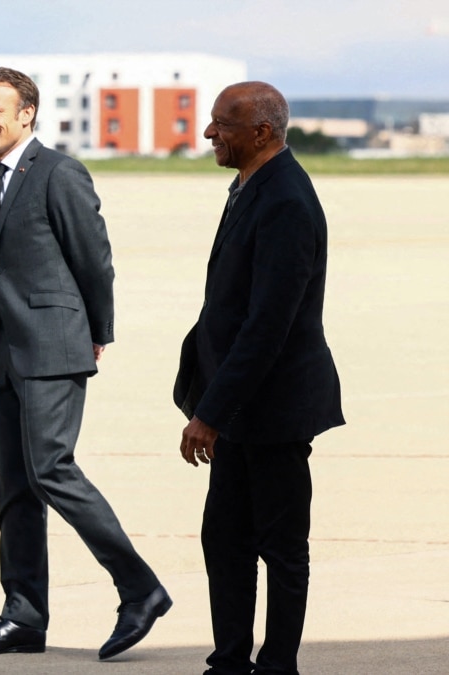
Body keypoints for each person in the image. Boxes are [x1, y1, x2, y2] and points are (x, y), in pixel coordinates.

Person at [0, 67, 170, 661]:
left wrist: (98, 331)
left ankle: (141, 588)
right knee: (15, 489)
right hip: (2, 350)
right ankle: (23, 615)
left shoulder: (59, 172)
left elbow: (94, 261)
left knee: (52, 470)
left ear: (27, 113)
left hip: (52, 345)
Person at [175, 81, 344, 675]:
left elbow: (267, 326)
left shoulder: (287, 202)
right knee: (224, 541)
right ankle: (229, 662)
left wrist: (210, 413)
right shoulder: (251, 185)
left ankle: (277, 665)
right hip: (242, 406)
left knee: (280, 547)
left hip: (274, 409)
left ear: (261, 132)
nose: (209, 133)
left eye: (222, 123)